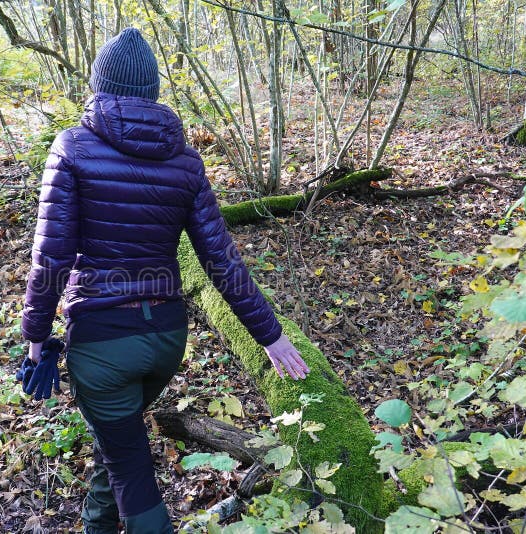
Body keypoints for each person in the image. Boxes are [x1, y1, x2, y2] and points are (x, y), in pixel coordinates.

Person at [22, 27, 310, 534]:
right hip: (166, 339)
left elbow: (52, 256)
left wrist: (35, 337)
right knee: (118, 445)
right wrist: (270, 335)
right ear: (152, 92)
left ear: (99, 85)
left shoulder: (72, 146)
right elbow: (222, 260)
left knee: (130, 467)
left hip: (103, 341)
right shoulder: (185, 160)